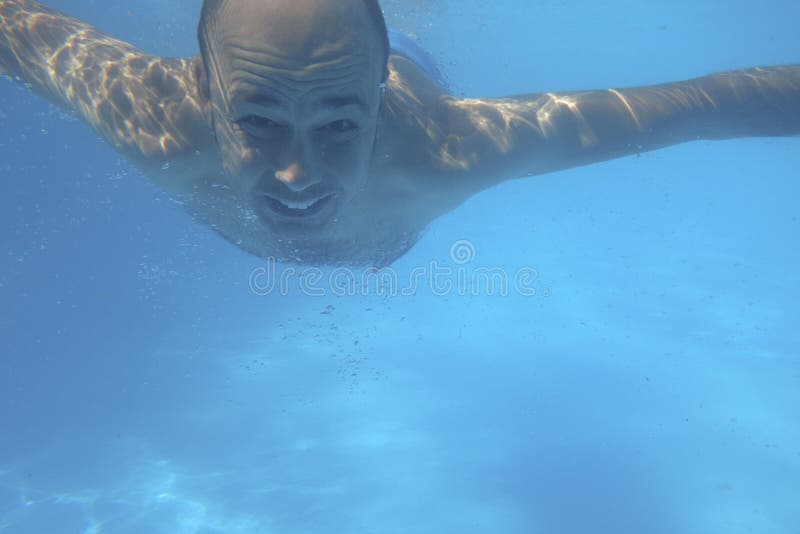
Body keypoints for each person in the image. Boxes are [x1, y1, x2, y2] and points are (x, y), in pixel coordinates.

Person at [1, 0, 798, 266]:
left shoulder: (451, 152)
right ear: (205, 90)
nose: (297, 173)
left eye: (340, 125)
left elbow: (701, 103)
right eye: (259, 122)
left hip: (396, 61)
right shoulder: (149, 119)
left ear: (377, 104)